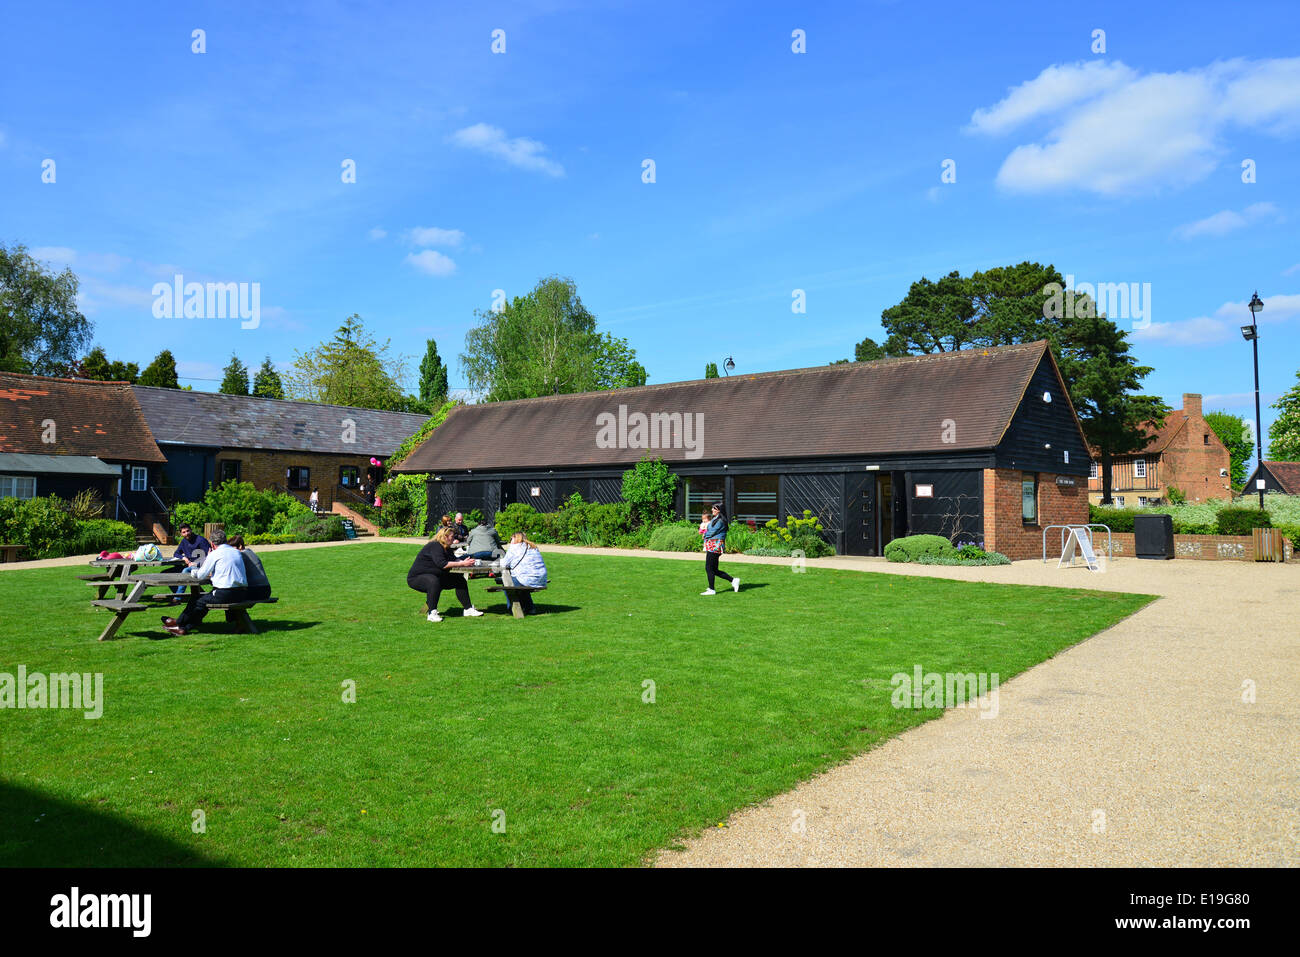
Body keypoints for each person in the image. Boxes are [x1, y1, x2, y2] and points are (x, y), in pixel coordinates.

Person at [161, 528, 248, 635]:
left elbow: (201, 575)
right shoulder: (236, 552)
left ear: (212, 543)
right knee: (203, 603)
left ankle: (178, 623)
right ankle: (185, 627)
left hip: (225, 593)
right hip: (242, 593)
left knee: (197, 600)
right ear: (225, 540)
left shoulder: (215, 554)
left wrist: (193, 572)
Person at [407, 526, 483, 623]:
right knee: (433, 581)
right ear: (445, 537)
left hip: (437, 576)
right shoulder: (435, 546)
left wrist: (464, 561)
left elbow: (454, 559)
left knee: (459, 579)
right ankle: (432, 613)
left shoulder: (446, 547)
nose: (454, 539)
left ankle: (468, 609)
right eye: (452, 536)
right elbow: (442, 564)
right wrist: (461, 564)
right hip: (416, 578)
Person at [498, 532, 547, 615]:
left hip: (527, 579)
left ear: (516, 538)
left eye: (511, 538)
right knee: (521, 584)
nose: (511, 541)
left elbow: (503, 564)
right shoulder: (532, 547)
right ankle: (530, 608)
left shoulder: (514, 548)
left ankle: (512, 609)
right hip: (540, 579)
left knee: (507, 583)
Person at [700, 502, 739, 596]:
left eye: (715, 509)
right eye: (713, 508)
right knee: (714, 570)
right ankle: (733, 580)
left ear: (719, 511)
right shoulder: (716, 519)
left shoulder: (720, 521)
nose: (712, 510)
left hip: (715, 546)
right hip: (713, 545)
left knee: (708, 568)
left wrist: (705, 534)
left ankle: (711, 589)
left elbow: (712, 532)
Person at [169, 523, 211, 602]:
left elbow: (209, 556)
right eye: (184, 532)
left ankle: (177, 598)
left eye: (188, 531)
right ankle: (180, 594)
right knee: (167, 572)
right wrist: (184, 558)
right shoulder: (183, 542)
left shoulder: (201, 540)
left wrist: (196, 563)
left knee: (185, 571)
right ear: (181, 534)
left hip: (201, 567)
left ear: (191, 530)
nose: (186, 533)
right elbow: (176, 553)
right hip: (190, 566)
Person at [228, 535, 271, 600]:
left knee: (229, 597)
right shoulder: (250, 552)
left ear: (240, 546)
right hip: (266, 589)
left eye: (232, 549)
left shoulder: (241, 555)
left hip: (256, 591)